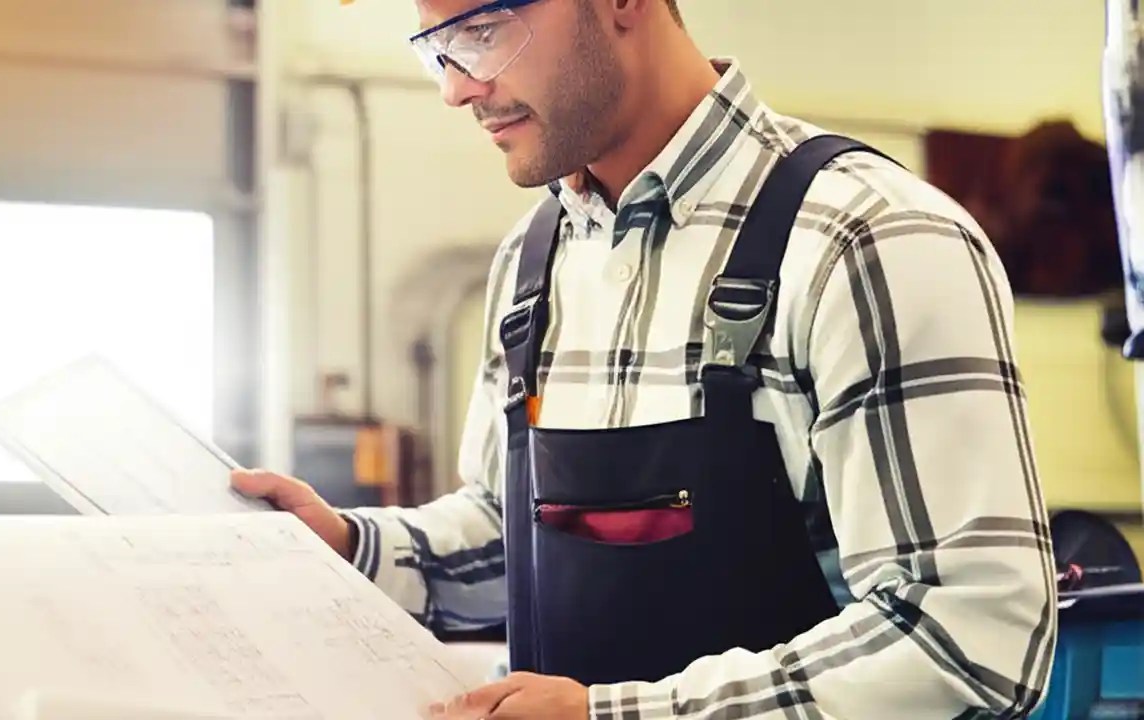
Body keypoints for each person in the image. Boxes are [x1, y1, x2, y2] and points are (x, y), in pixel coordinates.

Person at [232, 0, 1059, 717]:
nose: (456, 88)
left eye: (480, 30)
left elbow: (968, 635)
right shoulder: (533, 261)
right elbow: (516, 537)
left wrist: (611, 716)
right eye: (436, 50)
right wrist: (344, 547)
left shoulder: (866, 240)